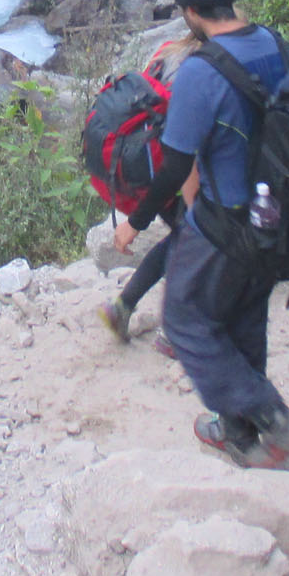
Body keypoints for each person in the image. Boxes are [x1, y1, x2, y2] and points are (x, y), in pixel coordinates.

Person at [113, 0, 289, 468]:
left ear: (189, 11)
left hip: (227, 222)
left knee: (185, 323)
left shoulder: (202, 73)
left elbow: (176, 166)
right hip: (279, 216)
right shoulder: (275, 44)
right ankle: (239, 435)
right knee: (245, 319)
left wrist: (134, 224)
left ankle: (271, 418)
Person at [97, 29, 203, 349]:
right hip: (176, 171)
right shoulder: (203, 68)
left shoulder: (166, 52)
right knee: (196, 241)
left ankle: (123, 307)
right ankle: (175, 333)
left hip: (147, 166)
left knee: (184, 239)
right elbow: (190, 144)